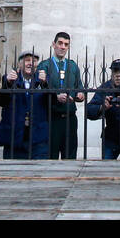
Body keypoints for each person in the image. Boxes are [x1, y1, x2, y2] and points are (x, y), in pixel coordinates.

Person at [37, 31, 84, 159]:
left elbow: (80, 88)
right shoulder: (44, 65)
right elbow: (40, 90)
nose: (63, 47)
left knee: (70, 156)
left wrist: (79, 96)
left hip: (70, 118)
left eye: (66, 44)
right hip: (52, 117)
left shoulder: (73, 66)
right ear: (54, 44)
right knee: (50, 156)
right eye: (60, 43)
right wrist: (55, 96)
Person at [0, 51, 51, 159]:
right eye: (27, 60)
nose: (30, 63)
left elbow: (52, 102)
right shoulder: (9, 80)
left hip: (38, 139)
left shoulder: (43, 81)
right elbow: (1, 102)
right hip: (14, 138)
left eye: (34, 61)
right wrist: (7, 84)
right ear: (19, 64)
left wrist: (45, 85)